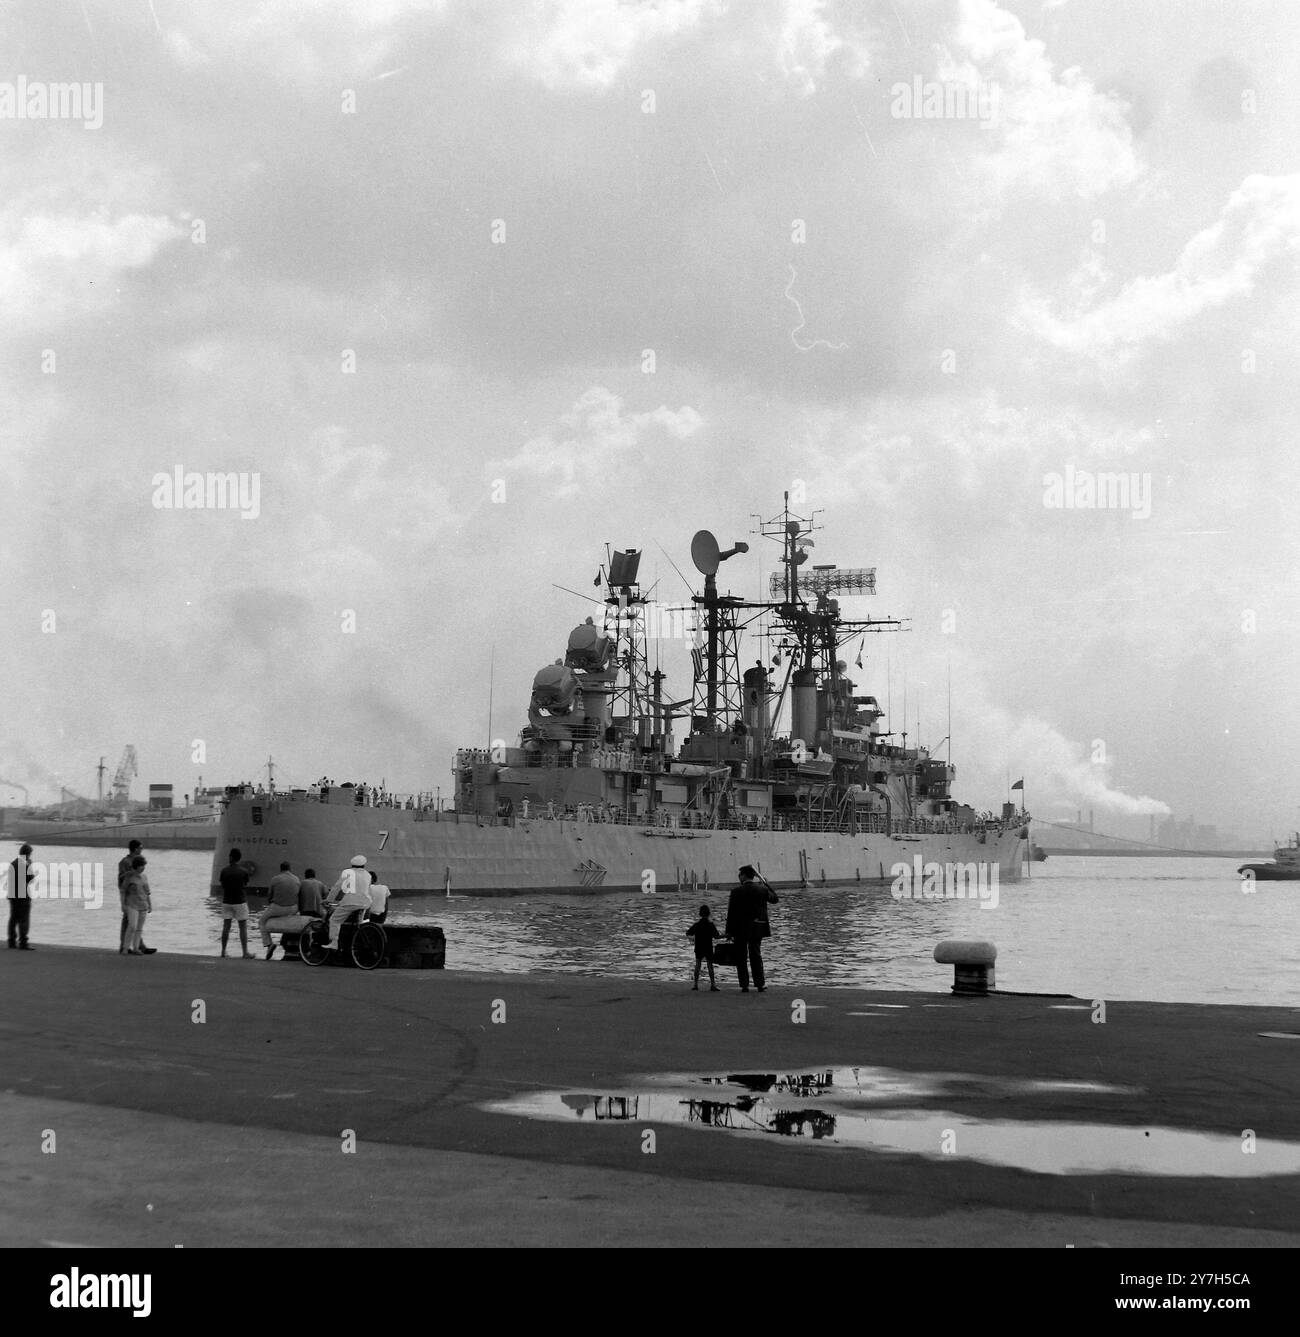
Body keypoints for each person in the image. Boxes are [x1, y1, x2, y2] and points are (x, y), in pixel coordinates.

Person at [724, 864, 779, 993]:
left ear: (744, 876)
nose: (738, 877)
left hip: (739, 929)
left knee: (741, 957)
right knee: (756, 955)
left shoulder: (736, 891)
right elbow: (775, 899)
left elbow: (731, 913)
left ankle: (744, 985)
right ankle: (760, 984)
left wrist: (729, 932)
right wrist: (766, 884)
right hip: (757, 927)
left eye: (740, 875)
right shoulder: (762, 890)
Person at [325, 855, 373, 950]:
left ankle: (334, 943)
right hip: (365, 903)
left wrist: (328, 900)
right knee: (357, 923)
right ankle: (356, 939)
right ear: (364, 865)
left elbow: (337, 887)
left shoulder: (348, 873)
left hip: (351, 903)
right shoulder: (368, 875)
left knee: (334, 920)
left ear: (352, 865)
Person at [117, 840, 157, 954]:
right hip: (129, 894)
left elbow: (147, 890)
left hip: (139, 897)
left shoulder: (143, 873)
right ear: (135, 849)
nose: (142, 850)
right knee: (130, 923)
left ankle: (137, 946)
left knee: (135, 924)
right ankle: (125, 947)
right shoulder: (125, 862)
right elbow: (121, 878)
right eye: (140, 848)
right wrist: (131, 873)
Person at [260, 861, 301, 959]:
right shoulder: (296, 879)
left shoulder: (275, 879)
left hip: (278, 907)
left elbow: (270, 895)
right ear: (290, 869)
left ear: (280, 869)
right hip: (293, 908)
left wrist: (271, 905)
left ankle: (269, 944)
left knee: (261, 922)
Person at [218, 848, 254, 958]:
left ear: (231, 857)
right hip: (240, 901)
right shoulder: (244, 872)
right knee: (242, 927)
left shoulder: (224, 871)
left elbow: (222, 885)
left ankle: (223, 951)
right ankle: (245, 952)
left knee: (226, 927)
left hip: (227, 901)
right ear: (239, 858)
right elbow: (245, 884)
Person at [121, 856, 152, 955]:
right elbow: (123, 891)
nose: (143, 867)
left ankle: (136, 948)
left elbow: (147, 892)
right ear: (136, 866)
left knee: (139, 928)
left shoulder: (144, 876)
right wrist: (123, 904)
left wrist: (150, 904)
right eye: (142, 866)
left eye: (144, 865)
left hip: (143, 904)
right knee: (132, 926)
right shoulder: (129, 877)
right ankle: (125, 948)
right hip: (132, 904)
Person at [685, 904, 720, 991]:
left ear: (700, 914)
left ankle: (695, 984)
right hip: (708, 947)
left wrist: (692, 939)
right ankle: (713, 985)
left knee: (698, 965)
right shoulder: (711, 925)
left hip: (699, 946)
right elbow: (716, 936)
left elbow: (688, 933)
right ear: (709, 914)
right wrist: (727, 935)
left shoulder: (697, 925)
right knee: (710, 966)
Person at [7, 843, 36, 950]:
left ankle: (11, 941)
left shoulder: (13, 863)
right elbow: (31, 879)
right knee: (24, 919)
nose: (30, 856)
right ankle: (23, 942)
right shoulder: (24, 864)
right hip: (23, 897)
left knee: (13, 919)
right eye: (30, 854)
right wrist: (30, 865)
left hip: (13, 896)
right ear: (27, 854)